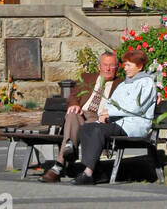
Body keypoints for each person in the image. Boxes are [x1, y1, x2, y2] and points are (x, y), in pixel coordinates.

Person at [66, 47, 158, 185]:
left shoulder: (146, 83)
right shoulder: (125, 83)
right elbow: (111, 102)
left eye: (128, 65)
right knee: (87, 128)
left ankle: (88, 173)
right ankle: (94, 170)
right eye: (125, 64)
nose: (125, 68)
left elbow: (135, 107)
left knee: (97, 130)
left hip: (134, 124)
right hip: (118, 122)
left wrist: (111, 112)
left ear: (139, 66)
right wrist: (105, 113)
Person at [40, 50, 122, 183]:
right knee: (72, 113)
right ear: (99, 66)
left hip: (99, 119)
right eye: (105, 65)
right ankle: (69, 150)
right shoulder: (87, 78)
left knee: (82, 121)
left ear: (117, 68)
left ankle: (59, 165)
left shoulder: (121, 83)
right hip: (82, 114)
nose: (107, 68)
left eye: (111, 65)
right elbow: (73, 96)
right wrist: (74, 104)